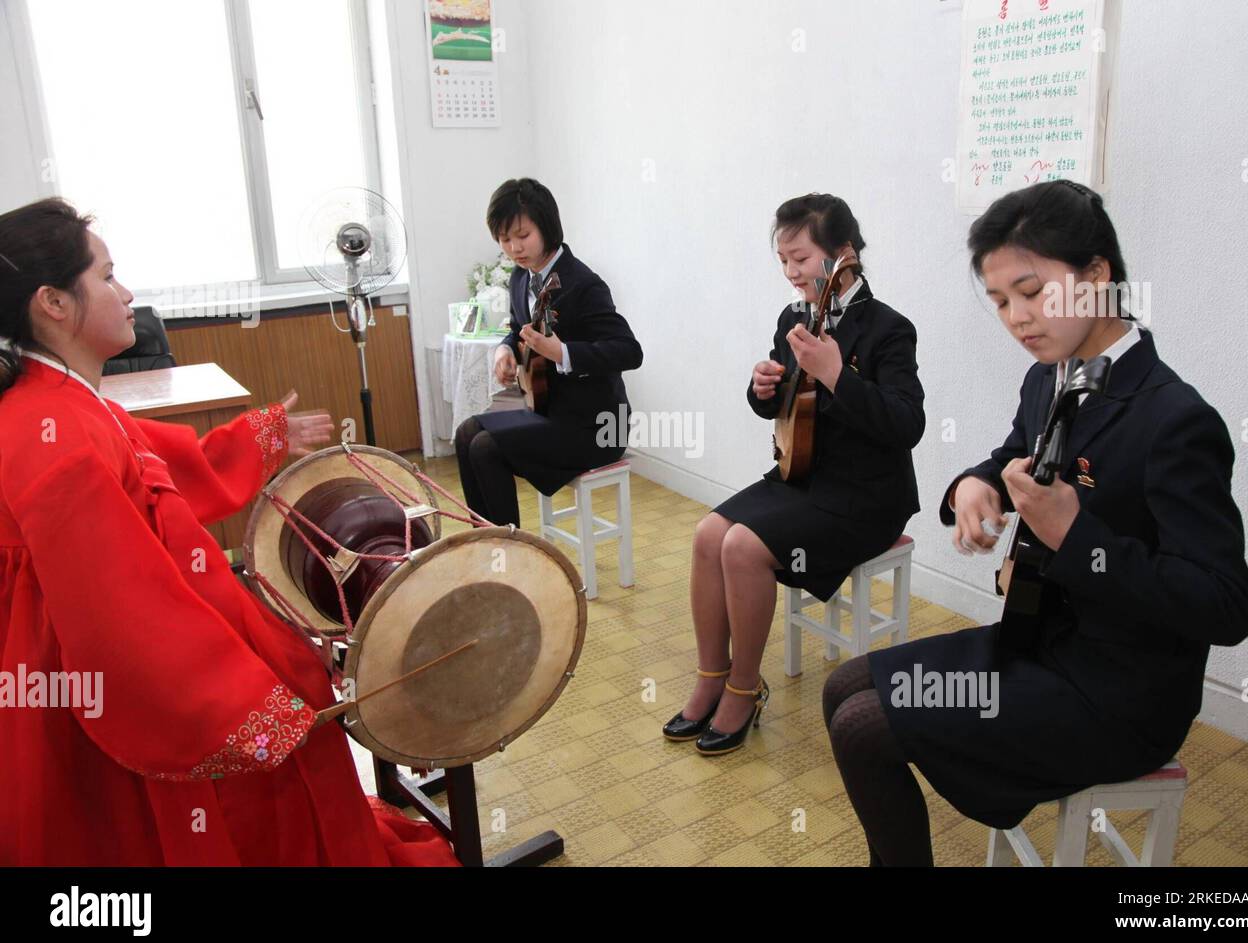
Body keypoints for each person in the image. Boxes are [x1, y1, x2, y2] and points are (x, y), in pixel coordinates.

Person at [0, 197, 458, 865]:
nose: (127, 294)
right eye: (106, 277)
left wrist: (258, 437)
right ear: (53, 303)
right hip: (108, 698)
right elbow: (122, 620)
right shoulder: (57, 435)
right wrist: (238, 706)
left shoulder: (63, 402)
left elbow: (158, 468)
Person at [823, 180, 1248, 865]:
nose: (1017, 318)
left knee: (864, 726)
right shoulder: (1051, 375)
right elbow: (1015, 456)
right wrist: (975, 483)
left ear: (1095, 276)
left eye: (1031, 292)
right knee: (842, 687)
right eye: (1000, 302)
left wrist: (1076, 537)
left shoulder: (1175, 420)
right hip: (1039, 639)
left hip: (1120, 693)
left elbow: (1227, 607)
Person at [664, 193, 925, 756]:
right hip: (801, 475)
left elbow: (907, 424)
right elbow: (786, 410)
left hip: (866, 494)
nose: (791, 272)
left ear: (843, 254)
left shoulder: (889, 329)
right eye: (783, 260)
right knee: (708, 534)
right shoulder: (795, 317)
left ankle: (743, 687)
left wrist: (837, 375)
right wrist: (761, 388)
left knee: (741, 547)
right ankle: (712, 674)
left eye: (801, 258)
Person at [454, 178, 642, 526]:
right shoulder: (521, 278)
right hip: (547, 411)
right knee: (466, 433)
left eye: (522, 236)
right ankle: (485, 541)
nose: (514, 248)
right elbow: (516, 329)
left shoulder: (584, 284)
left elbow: (629, 352)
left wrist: (562, 353)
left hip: (598, 426)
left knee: (486, 447)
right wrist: (504, 350)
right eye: (504, 239)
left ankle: (513, 557)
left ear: (548, 226)